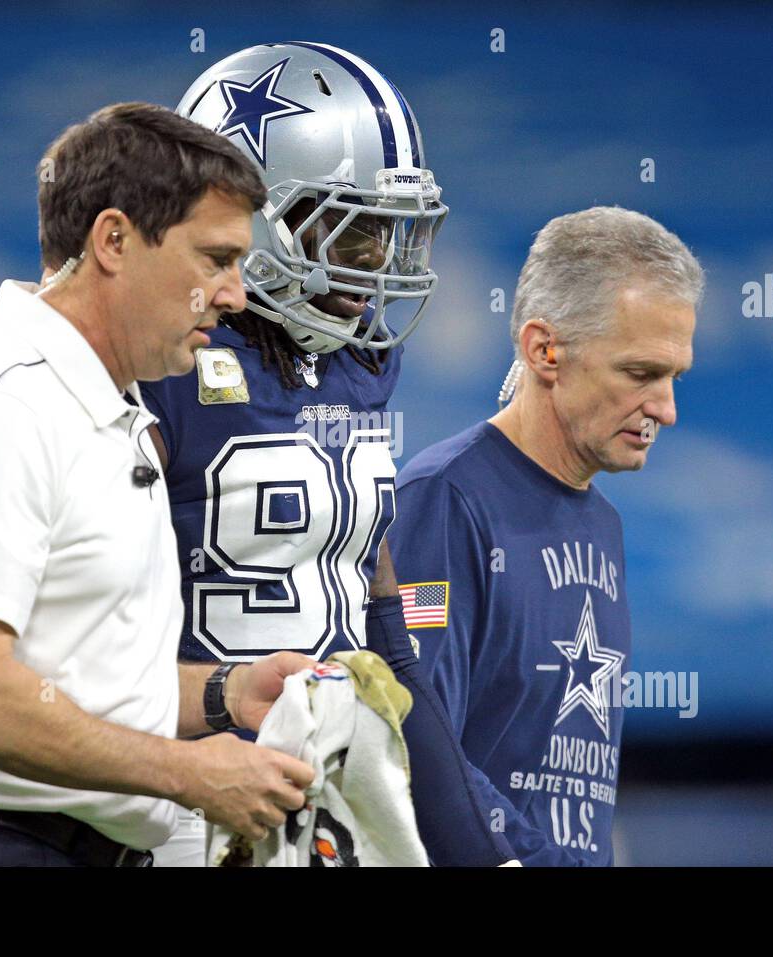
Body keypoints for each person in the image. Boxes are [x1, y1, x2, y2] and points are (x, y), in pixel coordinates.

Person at [0, 102, 315, 867]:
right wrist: (190, 773)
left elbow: (75, 680)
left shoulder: (102, 402)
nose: (238, 295)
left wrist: (226, 694)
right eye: (215, 258)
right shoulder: (6, 404)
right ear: (113, 240)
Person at [139, 42, 516, 866]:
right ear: (256, 215)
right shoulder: (159, 362)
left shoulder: (357, 361)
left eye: (388, 230)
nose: (380, 259)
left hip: (326, 799)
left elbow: (385, 632)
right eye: (352, 230)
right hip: (181, 797)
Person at [388, 206, 703, 866]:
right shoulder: (444, 497)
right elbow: (413, 738)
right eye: (641, 373)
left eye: (675, 377)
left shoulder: (604, 525)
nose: (666, 409)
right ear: (544, 349)